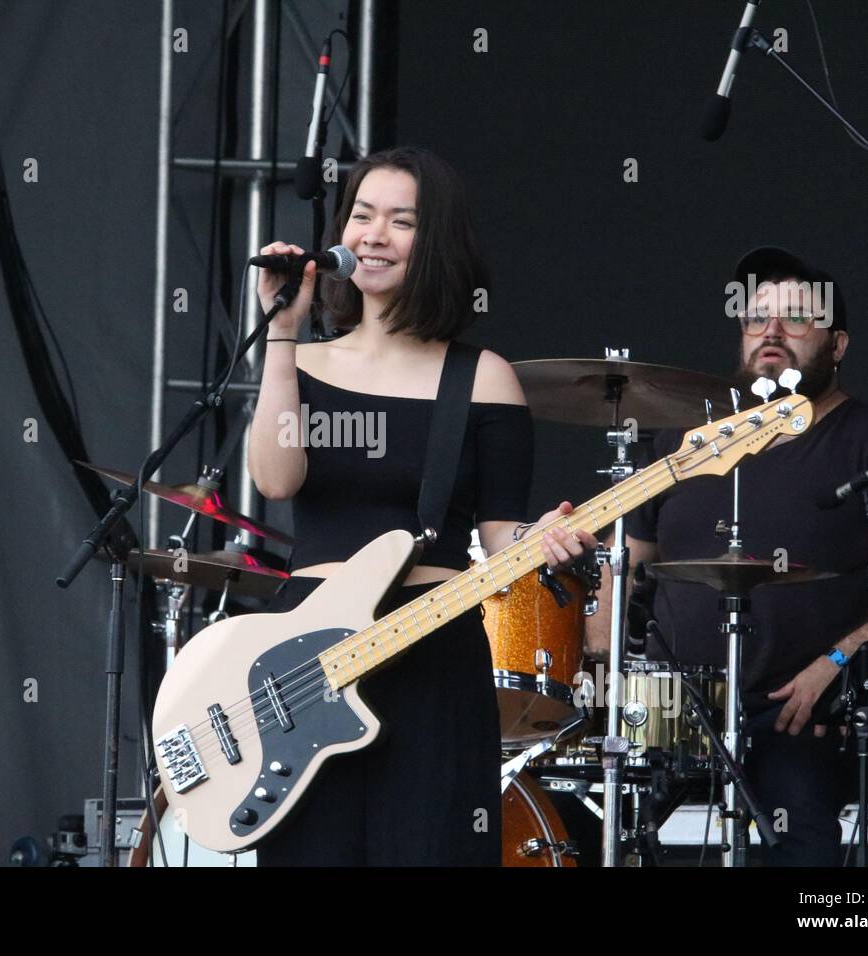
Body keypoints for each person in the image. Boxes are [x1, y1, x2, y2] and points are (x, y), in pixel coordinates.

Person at [247, 146, 596, 865]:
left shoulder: (483, 378)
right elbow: (276, 481)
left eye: (399, 221)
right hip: (306, 659)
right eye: (362, 215)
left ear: (434, 242)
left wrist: (547, 538)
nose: (373, 234)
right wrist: (282, 333)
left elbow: (504, 534)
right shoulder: (303, 362)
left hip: (431, 654)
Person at [577, 247, 868, 866]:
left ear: (837, 345)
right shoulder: (686, 441)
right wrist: (603, 682)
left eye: (796, 318)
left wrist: (837, 663)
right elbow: (620, 568)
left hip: (796, 713)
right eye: (757, 318)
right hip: (670, 712)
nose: (772, 332)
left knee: (801, 848)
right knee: (590, 829)